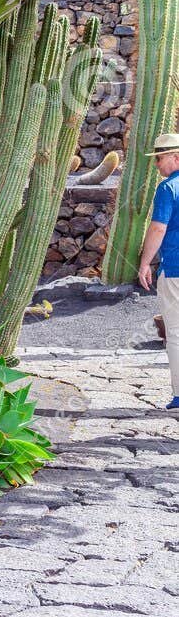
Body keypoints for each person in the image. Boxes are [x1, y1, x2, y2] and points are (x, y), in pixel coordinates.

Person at [137, 131, 179, 411]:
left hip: (175, 268)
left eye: (160, 159)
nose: (157, 166)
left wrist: (144, 263)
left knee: (176, 331)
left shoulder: (168, 188)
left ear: (175, 158)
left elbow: (158, 228)